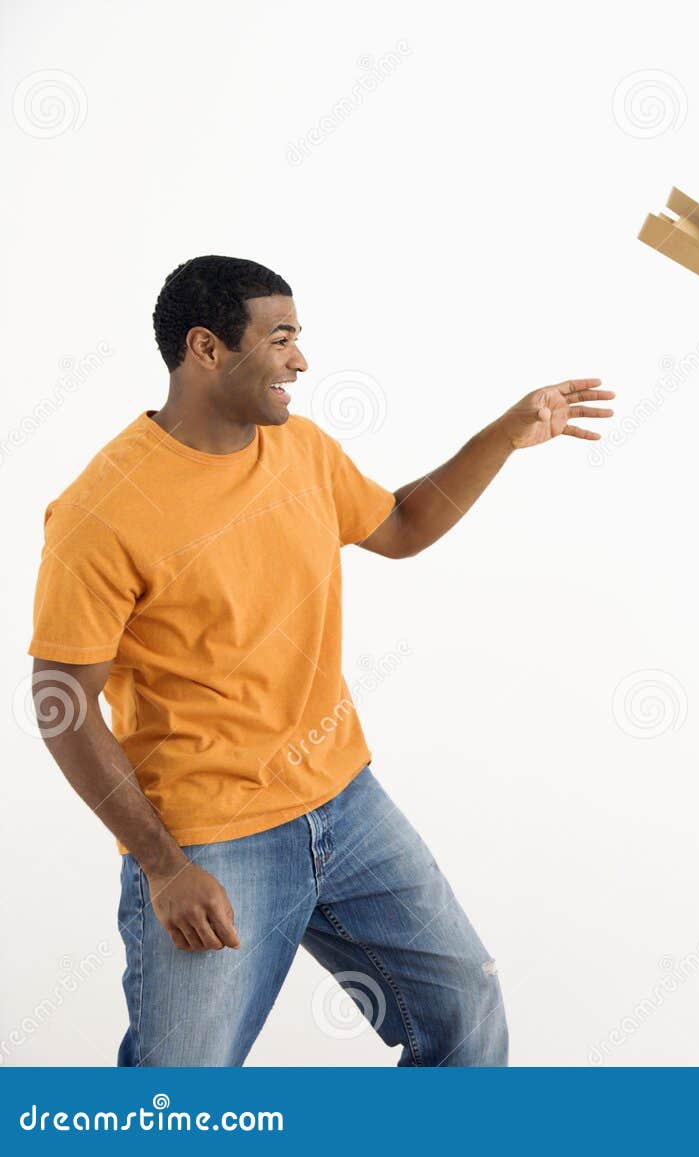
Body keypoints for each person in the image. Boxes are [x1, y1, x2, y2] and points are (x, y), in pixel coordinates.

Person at [26, 255, 613, 1066]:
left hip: (344, 798)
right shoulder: (102, 510)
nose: (300, 360)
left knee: (465, 1016)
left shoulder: (299, 449)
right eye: (281, 338)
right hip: (212, 839)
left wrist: (507, 434)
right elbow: (60, 700)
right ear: (205, 348)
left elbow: (401, 525)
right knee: (176, 1100)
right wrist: (163, 866)